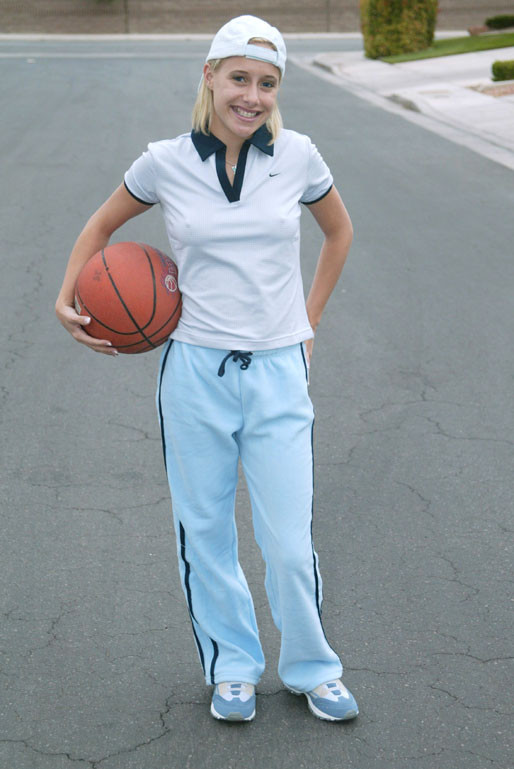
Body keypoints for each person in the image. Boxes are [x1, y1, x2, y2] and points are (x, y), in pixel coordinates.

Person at [55, 15, 357, 723]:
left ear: (277, 90)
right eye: (240, 79)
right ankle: (233, 666)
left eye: (267, 84)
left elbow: (339, 232)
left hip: (278, 371)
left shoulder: (300, 156)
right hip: (194, 371)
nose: (251, 96)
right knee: (206, 531)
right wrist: (66, 295)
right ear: (211, 77)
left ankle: (313, 667)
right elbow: (101, 226)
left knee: (288, 539)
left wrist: (308, 321)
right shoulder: (164, 161)